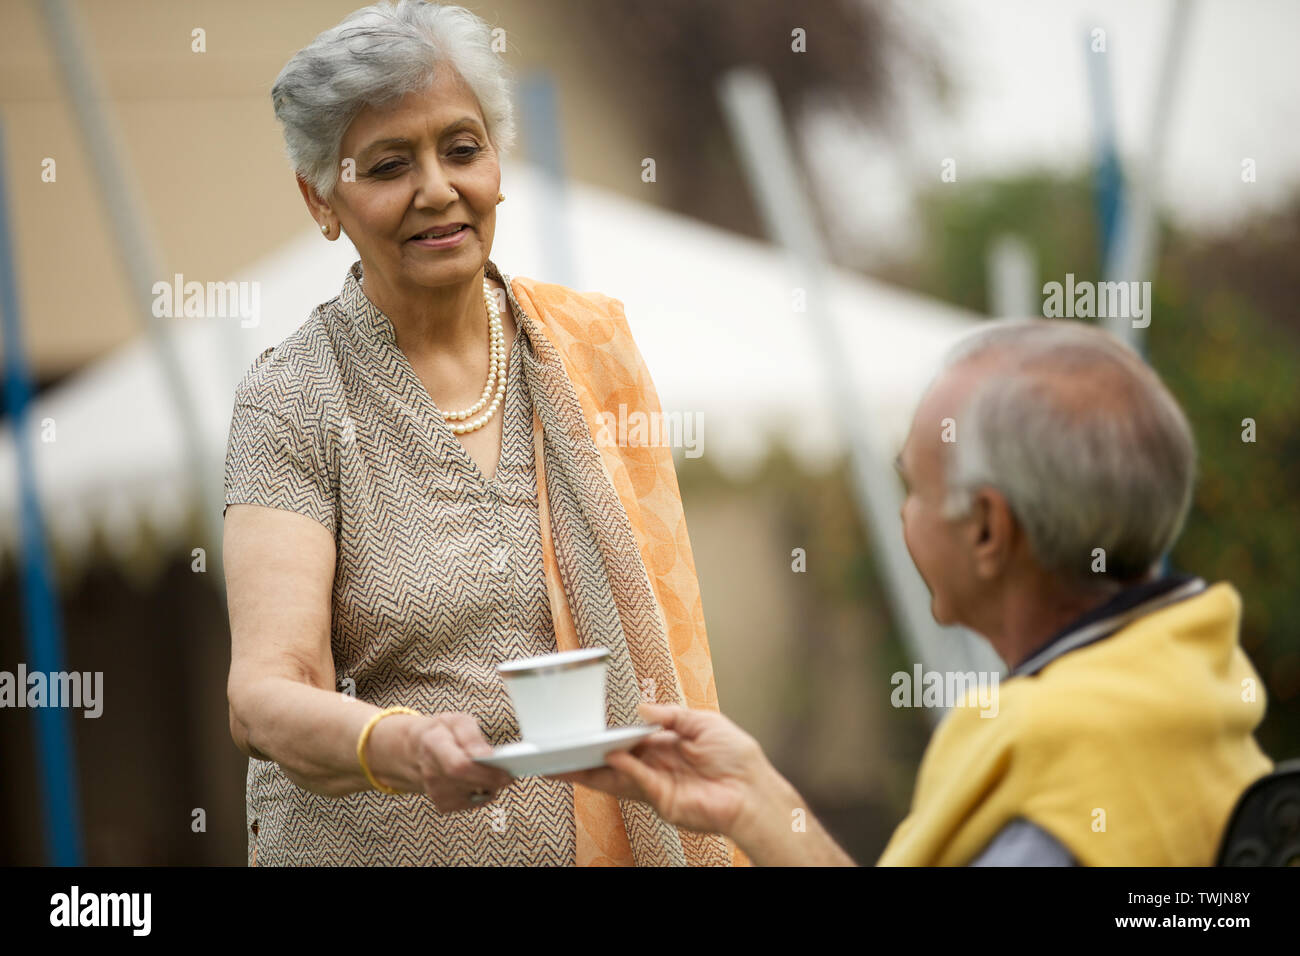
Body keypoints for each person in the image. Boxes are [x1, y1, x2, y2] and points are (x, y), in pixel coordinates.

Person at [222, 0, 745, 867]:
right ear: (322, 199)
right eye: (390, 164)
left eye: (462, 149)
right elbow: (265, 698)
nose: (438, 188)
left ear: (497, 164)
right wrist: (400, 746)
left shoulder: (587, 351)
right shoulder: (293, 400)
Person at [557, 318, 1275, 866]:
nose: (903, 515)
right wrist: (760, 803)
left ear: (988, 529)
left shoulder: (1050, 765)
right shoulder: (1195, 684)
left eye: (915, 489)